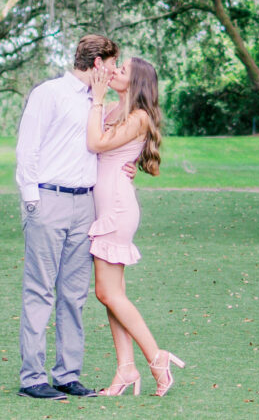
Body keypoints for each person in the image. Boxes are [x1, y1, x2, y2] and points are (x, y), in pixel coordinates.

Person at [15, 34, 118, 399]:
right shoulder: (50, 93)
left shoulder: (99, 102)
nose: (114, 71)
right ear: (97, 63)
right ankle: (33, 379)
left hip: (85, 204)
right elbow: (27, 149)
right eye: (112, 64)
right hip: (48, 199)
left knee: (74, 295)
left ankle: (67, 374)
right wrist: (33, 202)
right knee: (40, 290)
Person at [86, 56, 186, 396]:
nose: (115, 71)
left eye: (122, 69)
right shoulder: (117, 110)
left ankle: (157, 357)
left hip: (116, 209)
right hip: (106, 205)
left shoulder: (139, 116)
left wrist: (97, 99)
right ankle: (126, 369)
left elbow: (96, 144)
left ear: (136, 82)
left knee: (107, 293)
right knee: (112, 296)